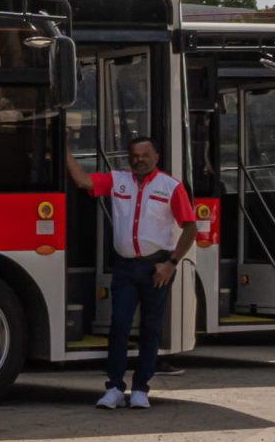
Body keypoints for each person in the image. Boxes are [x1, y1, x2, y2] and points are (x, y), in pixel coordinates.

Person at [71, 136, 196, 410]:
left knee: (151, 328)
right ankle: (114, 388)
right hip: (125, 267)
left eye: (144, 155)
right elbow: (83, 181)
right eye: (135, 156)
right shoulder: (118, 181)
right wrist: (63, 149)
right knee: (119, 325)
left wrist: (171, 263)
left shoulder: (171, 186)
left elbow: (190, 228)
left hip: (157, 267)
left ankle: (141, 388)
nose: (139, 160)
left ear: (156, 157)